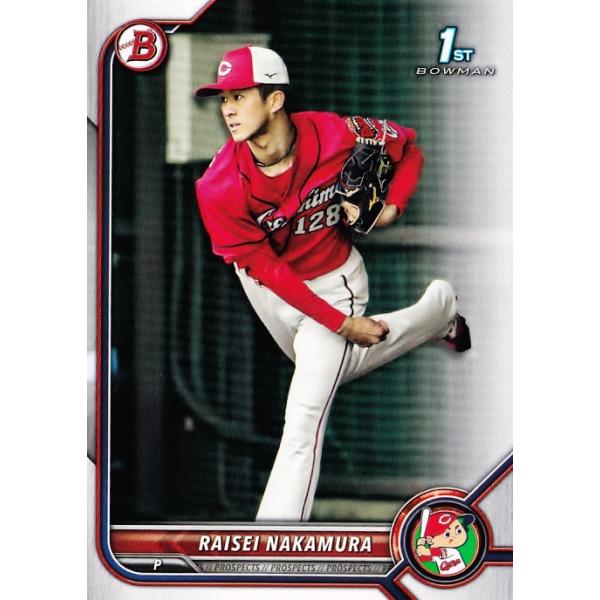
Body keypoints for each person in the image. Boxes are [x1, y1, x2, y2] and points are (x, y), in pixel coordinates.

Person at [194, 45, 471, 521]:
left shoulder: (337, 134)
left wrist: (392, 207)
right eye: (223, 99)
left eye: (240, 96)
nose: (228, 110)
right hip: (267, 286)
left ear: (275, 100)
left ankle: (272, 547)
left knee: (304, 416)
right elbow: (268, 270)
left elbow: (409, 148)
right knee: (328, 364)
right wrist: (343, 327)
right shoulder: (218, 187)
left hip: (333, 282)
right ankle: (436, 314)